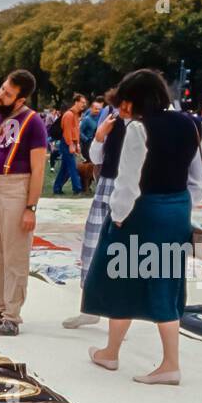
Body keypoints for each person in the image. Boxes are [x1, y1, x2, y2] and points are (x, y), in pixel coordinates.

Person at [83, 68, 202, 386]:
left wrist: (119, 216)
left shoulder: (140, 129)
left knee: (121, 280)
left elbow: (128, 182)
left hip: (140, 213)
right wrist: (180, 205)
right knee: (166, 283)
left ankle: (111, 352)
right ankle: (169, 362)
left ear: (138, 100)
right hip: (176, 211)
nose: (122, 109)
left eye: (125, 102)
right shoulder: (197, 126)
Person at [0, 69, 47, 337]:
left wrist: (31, 206)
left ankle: (12, 316)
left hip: (17, 188)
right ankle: (0, 306)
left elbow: (38, 169)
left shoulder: (33, 122)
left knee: (16, 253)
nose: (1, 94)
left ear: (20, 99)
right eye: (2, 89)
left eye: (7, 93)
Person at [65, 89, 125, 329]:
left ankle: (119, 316)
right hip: (107, 183)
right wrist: (100, 136)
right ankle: (89, 307)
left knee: (123, 252)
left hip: (133, 187)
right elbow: (95, 157)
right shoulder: (111, 115)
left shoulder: (150, 121)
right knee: (91, 246)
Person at [53, 94, 87, 195]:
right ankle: (77, 189)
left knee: (65, 168)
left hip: (70, 142)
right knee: (72, 167)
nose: (84, 105)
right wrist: (71, 144)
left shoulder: (76, 114)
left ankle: (57, 188)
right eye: (82, 102)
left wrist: (77, 144)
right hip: (66, 142)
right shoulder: (69, 115)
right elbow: (67, 132)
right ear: (76, 102)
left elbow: (76, 131)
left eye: (85, 103)